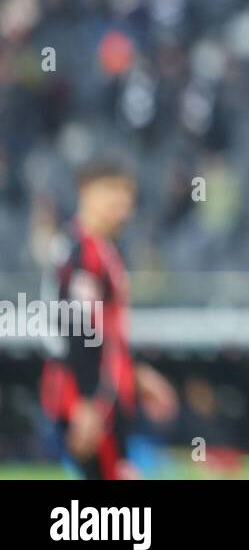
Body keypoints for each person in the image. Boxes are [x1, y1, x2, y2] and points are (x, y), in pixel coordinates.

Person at [40, 155, 178, 479]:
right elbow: (76, 324)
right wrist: (86, 401)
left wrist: (136, 374)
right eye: (113, 189)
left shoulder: (103, 250)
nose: (123, 201)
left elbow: (108, 331)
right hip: (88, 396)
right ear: (86, 192)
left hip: (104, 393)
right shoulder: (82, 251)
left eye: (128, 193)